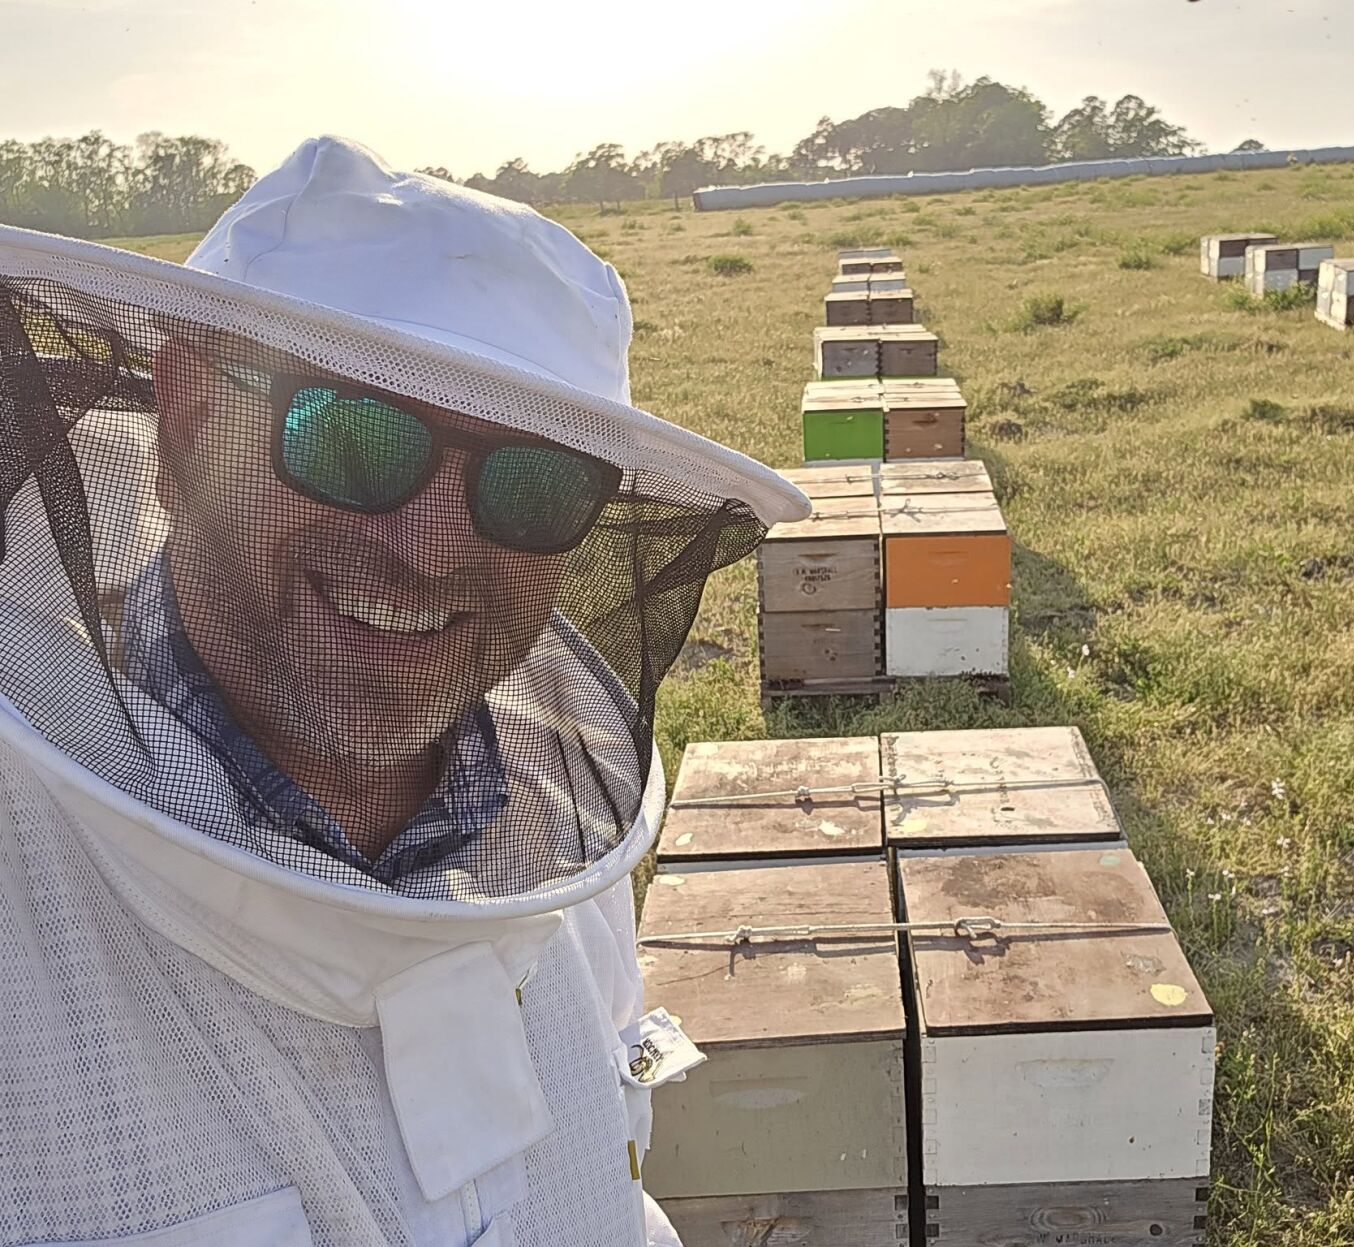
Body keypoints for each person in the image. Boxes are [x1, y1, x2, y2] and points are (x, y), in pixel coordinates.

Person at [0, 135, 807, 1245]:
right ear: (186, 420)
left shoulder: (560, 846)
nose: (431, 550)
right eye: (350, 434)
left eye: (532, 482)